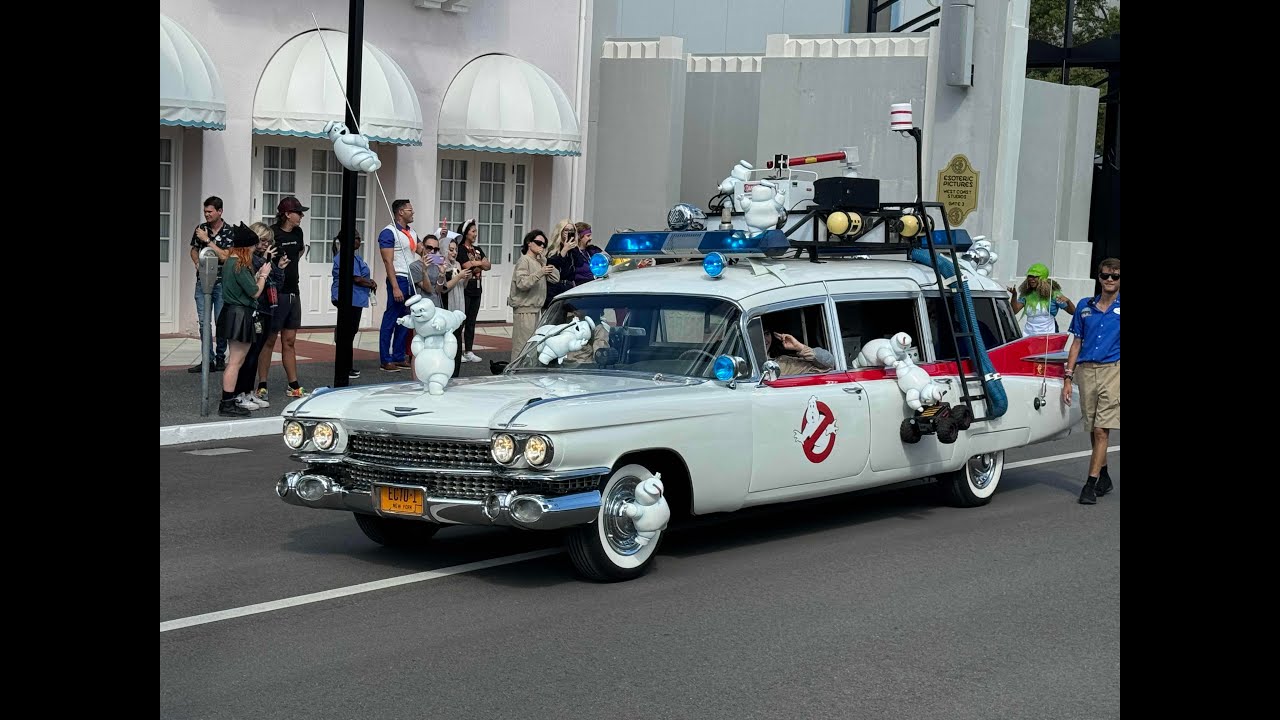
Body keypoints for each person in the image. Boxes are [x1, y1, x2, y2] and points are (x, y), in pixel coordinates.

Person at [1061, 258, 1121, 505]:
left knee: (1101, 429)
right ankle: (1104, 476)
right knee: (1093, 427)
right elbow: (1076, 342)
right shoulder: (1085, 307)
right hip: (1086, 372)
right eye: (1105, 275)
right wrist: (1068, 376)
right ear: (1099, 277)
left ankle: (1090, 484)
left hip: (1112, 370)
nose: (1110, 280)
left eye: (1115, 276)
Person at [215, 223, 273, 417]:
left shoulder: (230, 262)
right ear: (246, 247)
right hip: (240, 314)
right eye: (253, 246)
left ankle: (229, 400)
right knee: (235, 362)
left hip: (231, 312)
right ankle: (227, 403)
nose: (254, 249)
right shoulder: (239, 264)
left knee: (234, 361)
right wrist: (263, 275)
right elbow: (255, 292)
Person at [256, 196, 309, 401]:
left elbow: (300, 251)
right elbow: (263, 257)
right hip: (275, 292)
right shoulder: (273, 233)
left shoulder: (298, 232)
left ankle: (293, 385)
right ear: (287, 214)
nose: (301, 215)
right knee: (269, 339)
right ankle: (262, 384)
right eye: (298, 212)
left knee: (290, 340)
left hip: (294, 291)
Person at [230, 222, 281, 410]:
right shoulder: (247, 259)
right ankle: (239, 394)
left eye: (269, 241)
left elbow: (276, 283)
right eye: (262, 240)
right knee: (247, 356)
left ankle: (249, 392)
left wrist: (278, 266)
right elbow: (254, 287)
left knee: (256, 353)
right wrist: (266, 263)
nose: (265, 244)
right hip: (254, 310)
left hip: (267, 309)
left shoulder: (263, 258)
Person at [188, 196, 235, 373]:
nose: (207, 214)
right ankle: (207, 360)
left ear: (220, 211)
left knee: (220, 321)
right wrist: (196, 261)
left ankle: (221, 357)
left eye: (210, 211)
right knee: (203, 323)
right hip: (203, 282)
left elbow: (225, 256)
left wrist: (208, 241)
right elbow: (194, 250)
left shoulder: (229, 231)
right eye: (205, 211)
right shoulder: (201, 229)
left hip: (222, 283)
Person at [377, 199, 419, 373]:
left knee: (406, 318)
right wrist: (395, 286)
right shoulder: (389, 232)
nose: (413, 212)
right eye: (410, 209)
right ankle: (385, 359)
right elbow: (388, 261)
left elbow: (422, 250)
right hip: (398, 277)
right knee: (391, 318)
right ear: (400, 212)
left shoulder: (412, 232)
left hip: (410, 279)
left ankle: (399, 356)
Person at [332, 230, 377, 379]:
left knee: (351, 332)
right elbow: (356, 278)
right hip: (348, 298)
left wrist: (369, 282)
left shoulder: (356, 257)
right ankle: (345, 367)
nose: (360, 241)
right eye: (357, 238)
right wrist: (370, 283)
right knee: (347, 333)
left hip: (356, 298)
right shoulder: (344, 257)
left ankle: (348, 366)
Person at [508, 230, 559, 362]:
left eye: (544, 244)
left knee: (533, 347)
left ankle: (527, 371)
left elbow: (556, 279)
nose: (541, 246)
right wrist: (540, 273)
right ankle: (516, 371)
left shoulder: (540, 262)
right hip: (524, 309)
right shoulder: (524, 261)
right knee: (522, 347)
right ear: (529, 243)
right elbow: (522, 283)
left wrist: (544, 262)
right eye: (538, 243)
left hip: (536, 310)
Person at [456, 218, 490, 363]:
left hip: (477, 288)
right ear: (465, 233)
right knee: (461, 321)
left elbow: (488, 265)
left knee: (471, 321)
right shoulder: (460, 249)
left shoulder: (478, 249)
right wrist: (479, 263)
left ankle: (468, 351)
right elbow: (466, 265)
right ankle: (457, 351)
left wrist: (477, 264)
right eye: (473, 231)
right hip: (465, 288)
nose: (475, 234)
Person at [1009, 263, 1076, 336]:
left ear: (1043, 279)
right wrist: (1014, 296)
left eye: (1035, 277)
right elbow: (1014, 311)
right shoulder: (1026, 294)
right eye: (1030, 276)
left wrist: (1068, 301)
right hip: (1029, 334)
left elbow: (1073, 312)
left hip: (1049, 334)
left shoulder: (1053, 295)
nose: (1032, 279)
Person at [762, 319, 835, 376]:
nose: (763, 339)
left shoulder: (784, 364)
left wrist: (799, 347)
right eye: (758, 334)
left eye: (766, 334)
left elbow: (827, 365)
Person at [443, 237, 468, 377]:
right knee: (449, 341)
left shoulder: (457, 264)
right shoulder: (441, 265)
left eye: (456, 250)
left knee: (458, 340)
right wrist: (459, 277)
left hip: (459, 306)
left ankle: (456, 373)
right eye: (451, 250)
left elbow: (462, 286)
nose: (454, 253)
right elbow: (444, 288)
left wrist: (466, 278)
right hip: (448, 307)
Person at [544, 218, 578, 307]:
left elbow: (579, 263)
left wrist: (575, 246)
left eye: (572, 230)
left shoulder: (574, 249)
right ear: (560, 231)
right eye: (566, 230)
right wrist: (564, 250)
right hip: (554, 288)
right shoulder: (552, 247)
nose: (569, 232)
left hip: (569, 287)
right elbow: (552, 264)